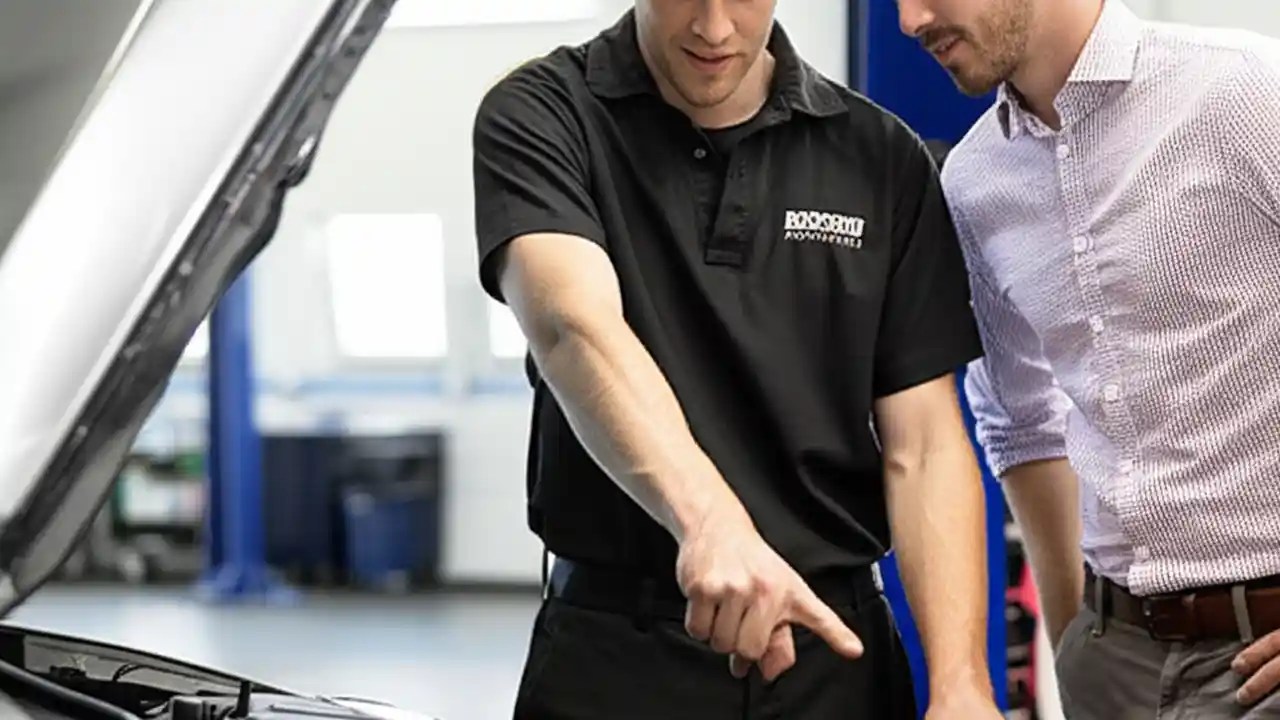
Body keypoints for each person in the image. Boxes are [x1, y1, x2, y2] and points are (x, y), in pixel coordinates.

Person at [471, 1, 1005, 718]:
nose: (715, 29)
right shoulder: (545, 112)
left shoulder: (880, 156)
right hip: (616, 654)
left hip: (833, 655)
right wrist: (713, 527)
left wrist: (961, 683)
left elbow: (926, 443)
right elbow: (574, 328)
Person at [897, 0, 1280, 716]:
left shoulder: (1245, 92)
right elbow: (1019, 421)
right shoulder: (973, 185)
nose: (910, 20)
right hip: (1113, 665)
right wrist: (1075, 635)